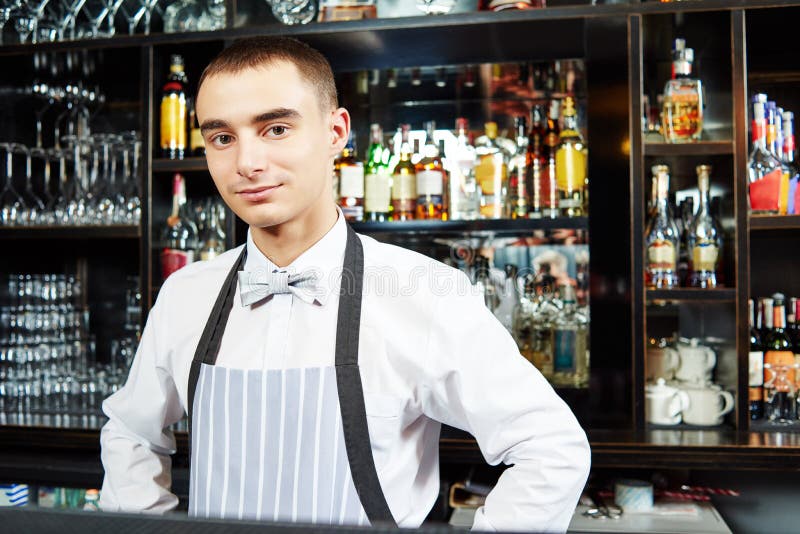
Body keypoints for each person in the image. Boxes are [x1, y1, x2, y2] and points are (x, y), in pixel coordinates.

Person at [99, 36, 590, 532]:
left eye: (275, 128)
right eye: (222, 138)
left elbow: (551, 447)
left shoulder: (425, 291)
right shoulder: (185, 294)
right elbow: (131, 432)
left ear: (336, 132)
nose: (246, 163)